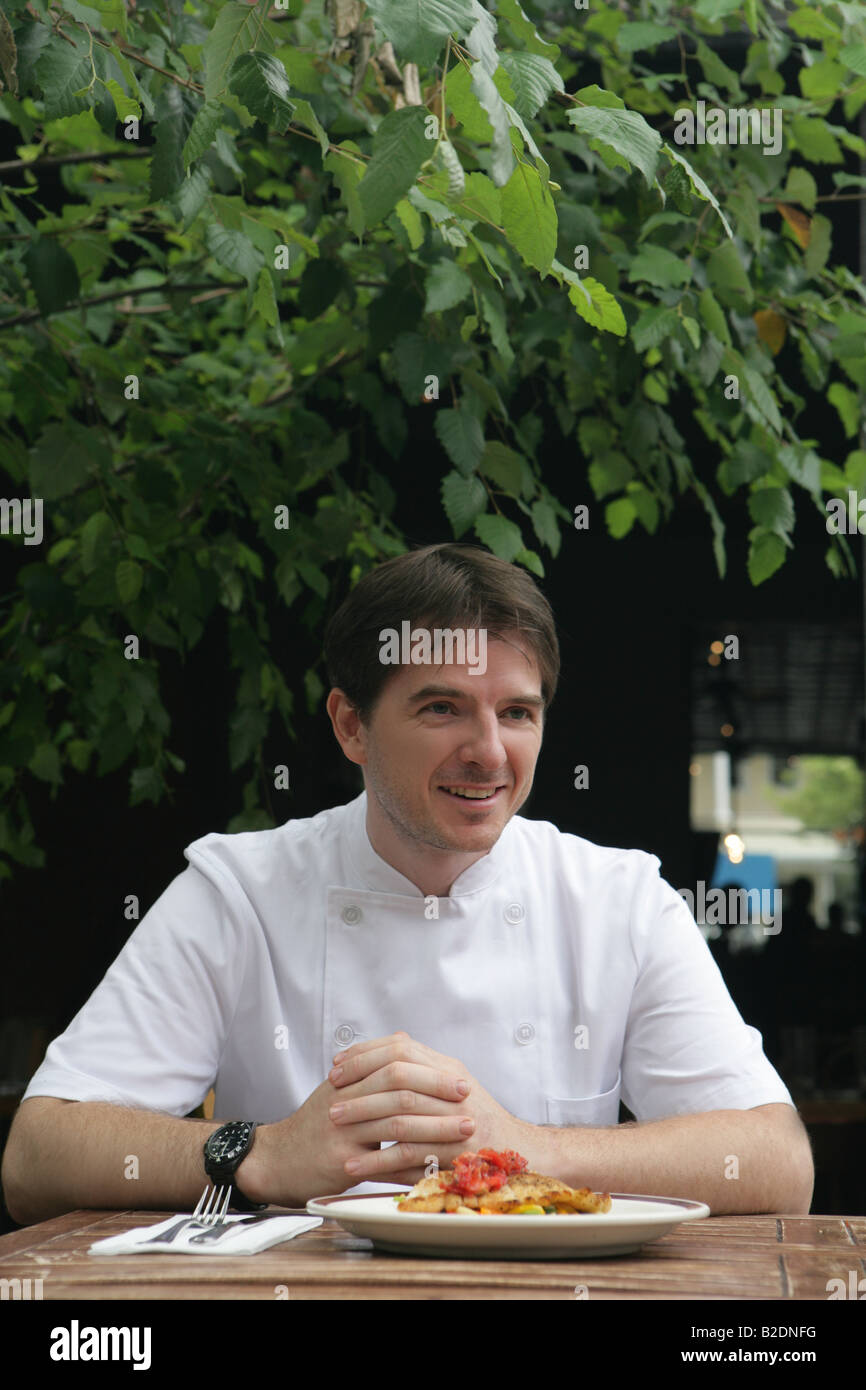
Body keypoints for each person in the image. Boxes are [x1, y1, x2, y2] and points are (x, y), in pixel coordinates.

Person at [1, 544, 813, 1223]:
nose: (489, 752)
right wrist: (261, 1153)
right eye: (442, 709)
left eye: (518, 713)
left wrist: (526, 1150)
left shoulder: (619, 901)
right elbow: (38, 1155)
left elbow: (777, 1163)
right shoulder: (241, 890)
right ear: (351, 725)